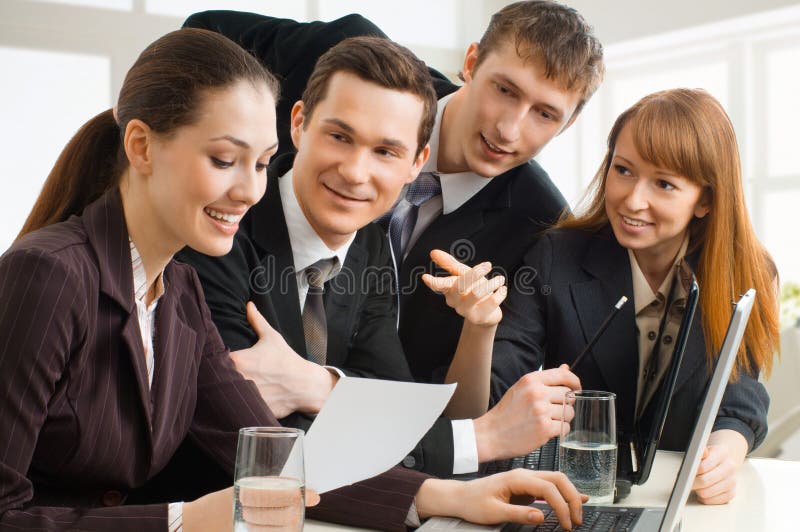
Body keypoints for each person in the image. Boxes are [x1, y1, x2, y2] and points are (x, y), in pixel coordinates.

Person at [0, 27, 587, 532]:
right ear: (141, 146)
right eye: (224, 160)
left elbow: (276, 458)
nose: (249, 191)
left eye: (260, 163)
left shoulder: (175, 290)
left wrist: (448, 497)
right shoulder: (49, 274)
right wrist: (181, 519)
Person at [181, 0, 599, 473]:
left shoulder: (536, 221)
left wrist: (322, 385)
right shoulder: (352, 62)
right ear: (471, 62)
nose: (509, 128)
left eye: (545, 114)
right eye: (503, 89)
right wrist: (213, 168)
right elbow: (199, 38)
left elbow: (416, 398)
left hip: (369, 455)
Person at [490, 88, 780, 505]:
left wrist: (725, 452)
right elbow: (501, 384)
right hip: (573, 494)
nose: (633, 199)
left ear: (706, 201)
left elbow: (739, 395)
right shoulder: (555, 256)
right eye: (623, 170)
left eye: (664, 183)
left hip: (673, 497)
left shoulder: (746, 273)